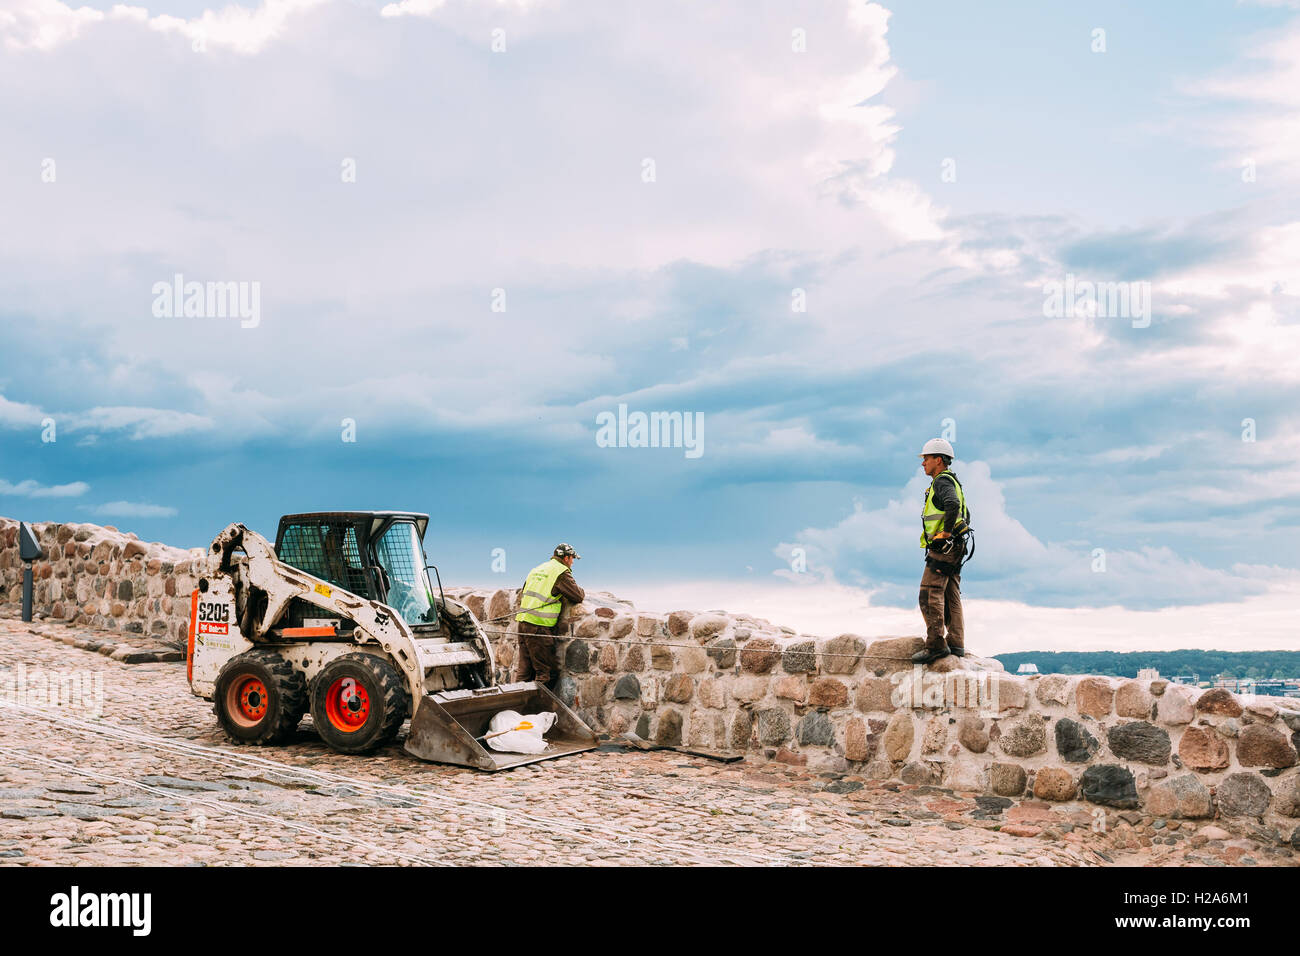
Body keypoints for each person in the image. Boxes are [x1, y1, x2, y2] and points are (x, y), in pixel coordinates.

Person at [912, 439, 971, 665]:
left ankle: (936, 645)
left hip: (944, 547)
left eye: (926, 459)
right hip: (957, 547)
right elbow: (965, 512)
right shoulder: (953, 481)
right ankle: (956, 644)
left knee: (929, 593)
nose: (923, 463)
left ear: (938, 460)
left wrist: (945, 533)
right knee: (951, 595)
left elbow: (953, 504)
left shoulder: (942, 482)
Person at [514, 544, 586, 688]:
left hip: (523, 622)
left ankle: (515, 706)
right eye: (572, 559)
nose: (572, 563)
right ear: (566, 558)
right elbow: (577, 595)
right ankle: (537, 708)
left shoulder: (537, 569)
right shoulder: (561, 572)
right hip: (538, 627)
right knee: (545, 674)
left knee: (525, 672)